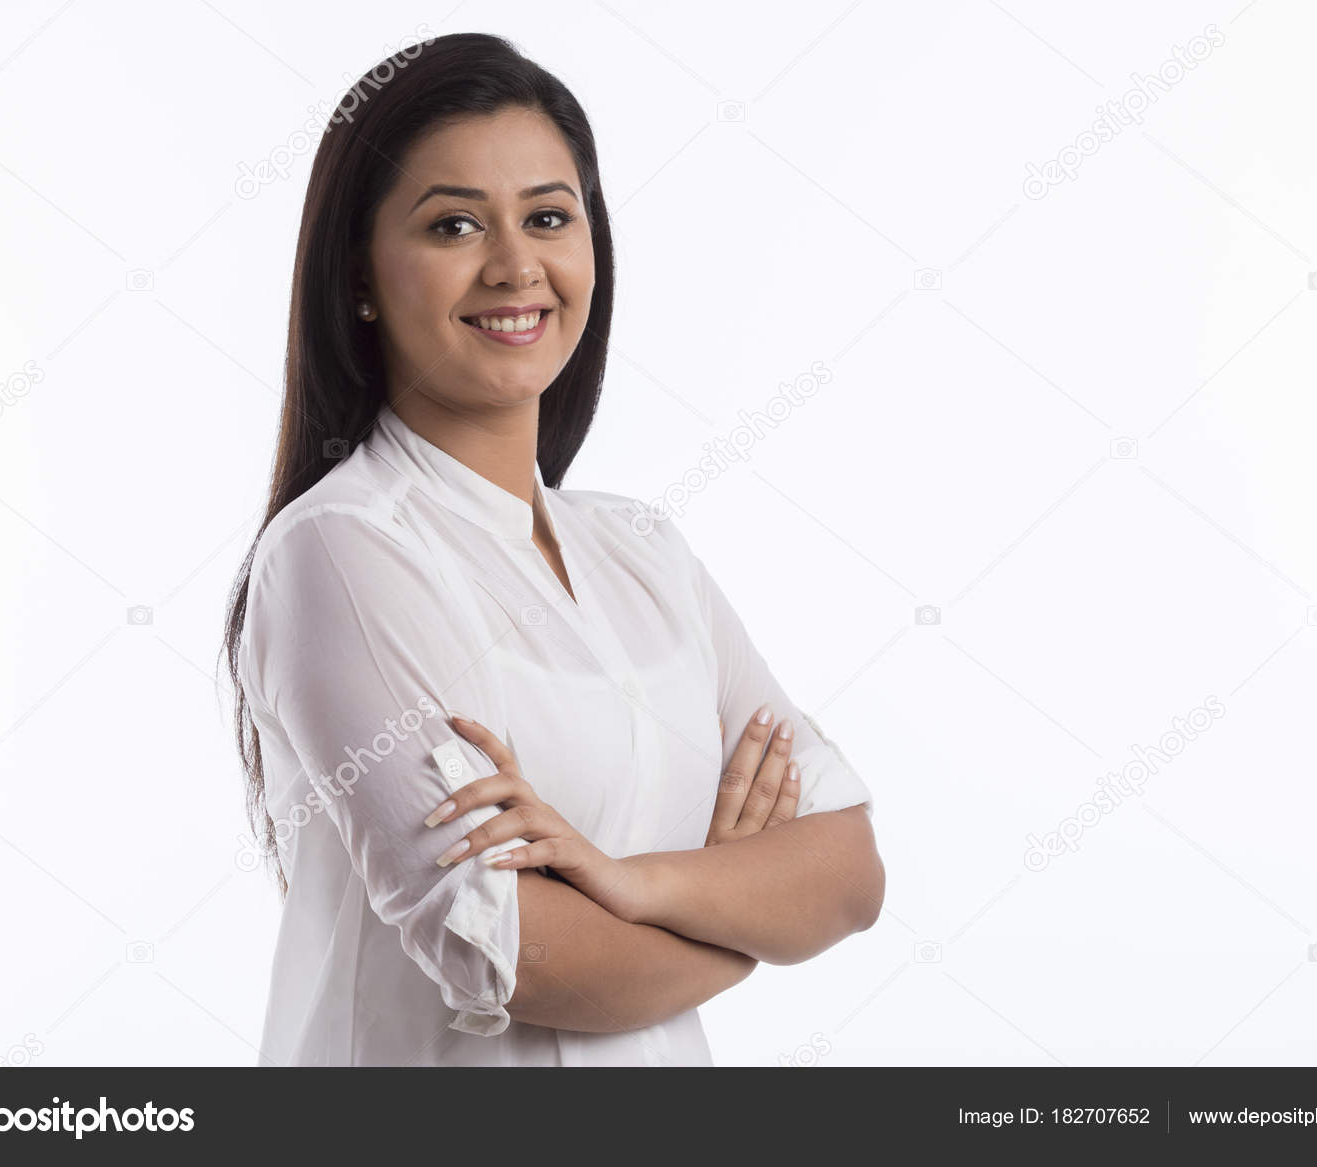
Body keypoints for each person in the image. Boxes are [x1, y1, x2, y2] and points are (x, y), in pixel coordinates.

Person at [222, 32, 884, 1066]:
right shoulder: (340, 555)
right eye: (453, 225)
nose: (514, 265)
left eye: (546, 216)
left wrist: (631, 883)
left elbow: (846, 874)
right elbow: (519, 959)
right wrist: (743, 920)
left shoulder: (643, 553)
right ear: (358, 276)